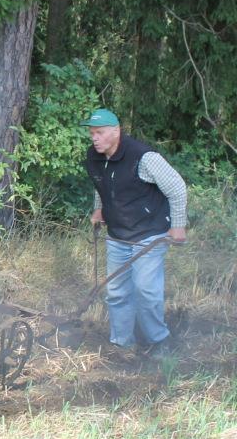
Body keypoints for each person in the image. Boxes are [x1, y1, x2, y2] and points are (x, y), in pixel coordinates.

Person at [80, 108, 187, 358]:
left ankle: (159, 340)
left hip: (150, 232)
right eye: (92, 133)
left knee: (145, 290)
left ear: (116, 132)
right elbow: (101, 184)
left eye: (100, 133)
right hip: (118, 234)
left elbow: (177, 187)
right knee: (117, 291)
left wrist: (178, 224)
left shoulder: (143, 157)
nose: (94, 138)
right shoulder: (94, 156)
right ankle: (122, 343)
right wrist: (99, 211)